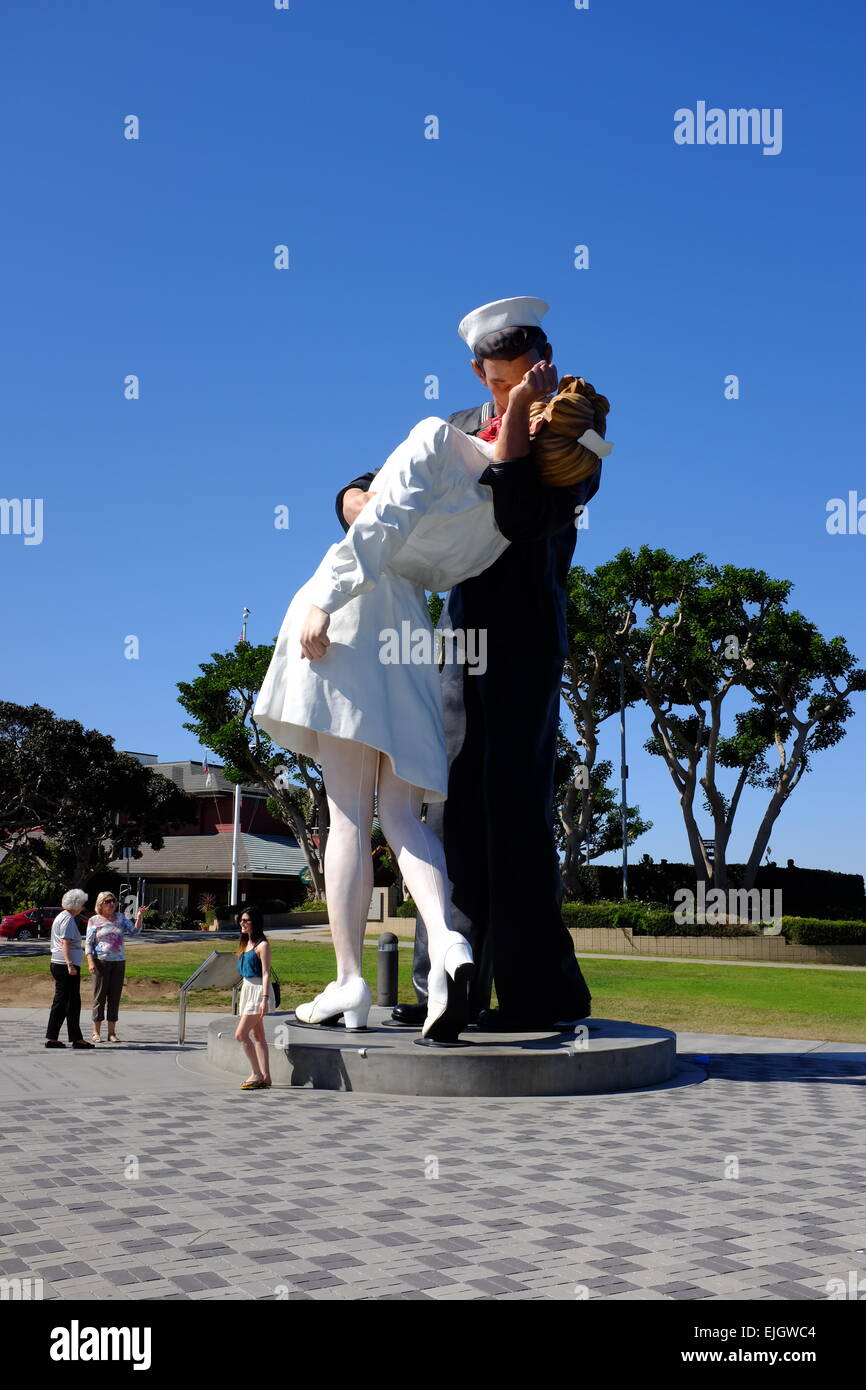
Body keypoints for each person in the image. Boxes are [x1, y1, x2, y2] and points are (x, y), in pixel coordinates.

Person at [255, 305, 608, 1043]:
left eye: (519, 376)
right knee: (444, 799)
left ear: (543, 361)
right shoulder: (455, 421)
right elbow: (382, 485)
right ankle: (449, 981)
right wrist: (353, 498)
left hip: (527, 633)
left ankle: (538, 987)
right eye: (495, 378)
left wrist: (522, 418)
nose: (506, 389)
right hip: (455, 632)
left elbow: (520, 511)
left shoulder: (576, 431)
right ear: (479, 373)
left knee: (513, 799)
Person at [84, 891, 146, 1042]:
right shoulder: (94, 921)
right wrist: (90, 962)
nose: (112, 903)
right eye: (108, 901)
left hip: (119, 962)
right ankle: (96, 1033)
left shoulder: (120, 918)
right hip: (101, 962)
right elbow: (88, 943)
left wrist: (140, 916)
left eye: (114, 901)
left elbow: (135, 930)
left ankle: (111, 1033)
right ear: (100, 904)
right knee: (99, 997)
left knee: (114, 997)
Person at [45, 889, 94, 1050]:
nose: (83, 907)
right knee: (71, 1002)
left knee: (63, 1001)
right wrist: (70, 965)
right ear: (77, 905)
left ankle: (53, 1038)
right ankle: (76, 1039)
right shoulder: (67, 919)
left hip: (60, 964)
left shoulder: (64, 917)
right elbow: (65, 943)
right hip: (64, 965)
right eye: (82, 904)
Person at [234, 906, 275, 1090]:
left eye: (246, 920)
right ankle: (266, 1077)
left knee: (241, 1034)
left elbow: (266, 973)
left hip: (258, 991)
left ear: (255, 923)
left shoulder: (262, 945)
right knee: (257, 1035)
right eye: (241, 920)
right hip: (247, 988)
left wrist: (265, 998)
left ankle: (256, 1073)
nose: (242, 923)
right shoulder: (245, 943)